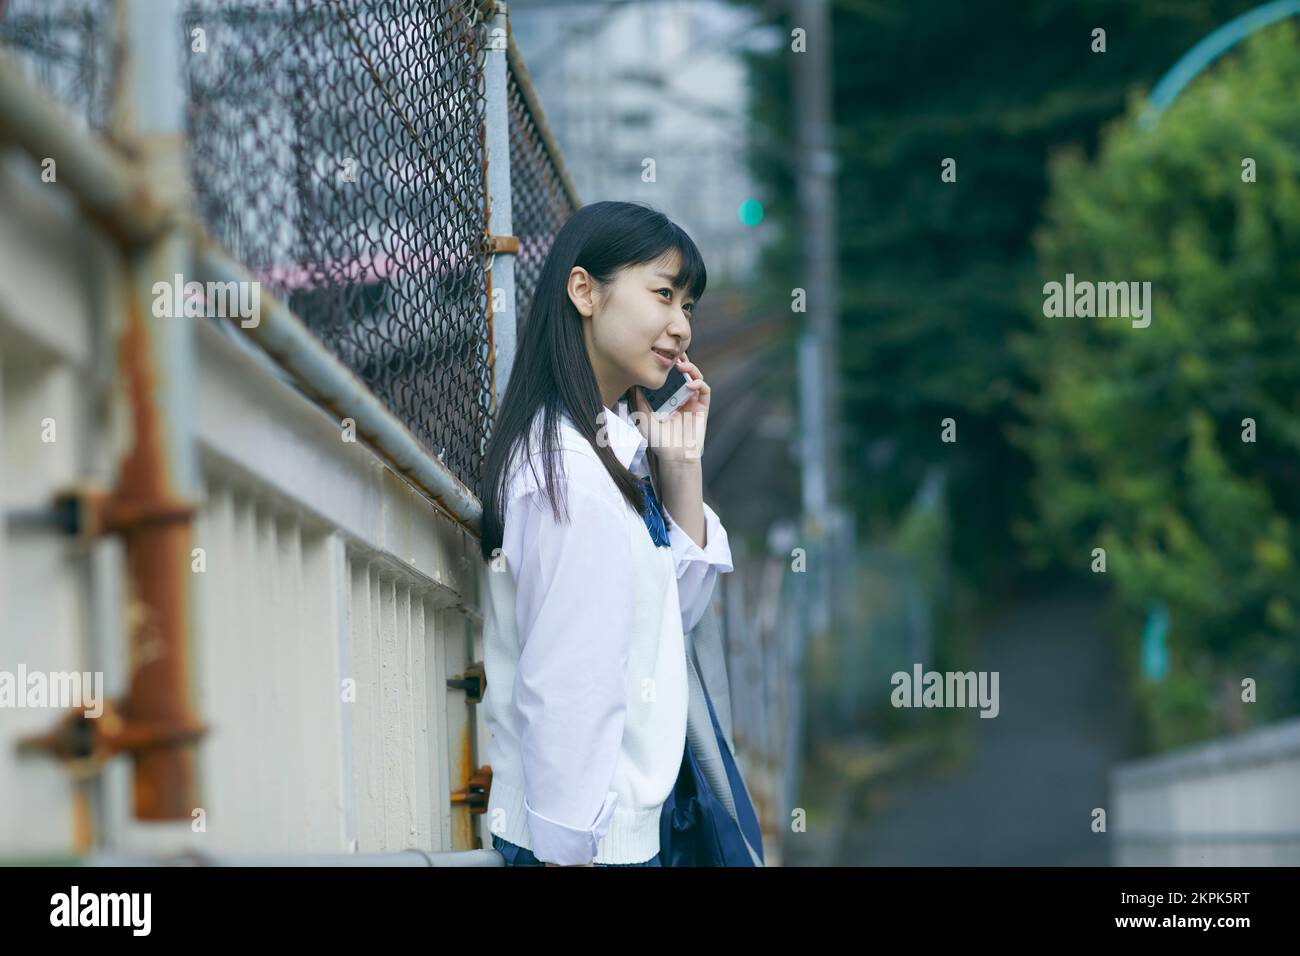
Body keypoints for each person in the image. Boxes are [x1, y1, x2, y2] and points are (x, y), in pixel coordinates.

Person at [477, 201, 734, 866]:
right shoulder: (569, 472)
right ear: (584, 291)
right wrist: (570, 854)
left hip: (607, 841)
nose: (681, 327)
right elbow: (568, 685)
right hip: (584, 850)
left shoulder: (603, 455)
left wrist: (680, 465)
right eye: (664, 294)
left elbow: (665, 623)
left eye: (689, 306)